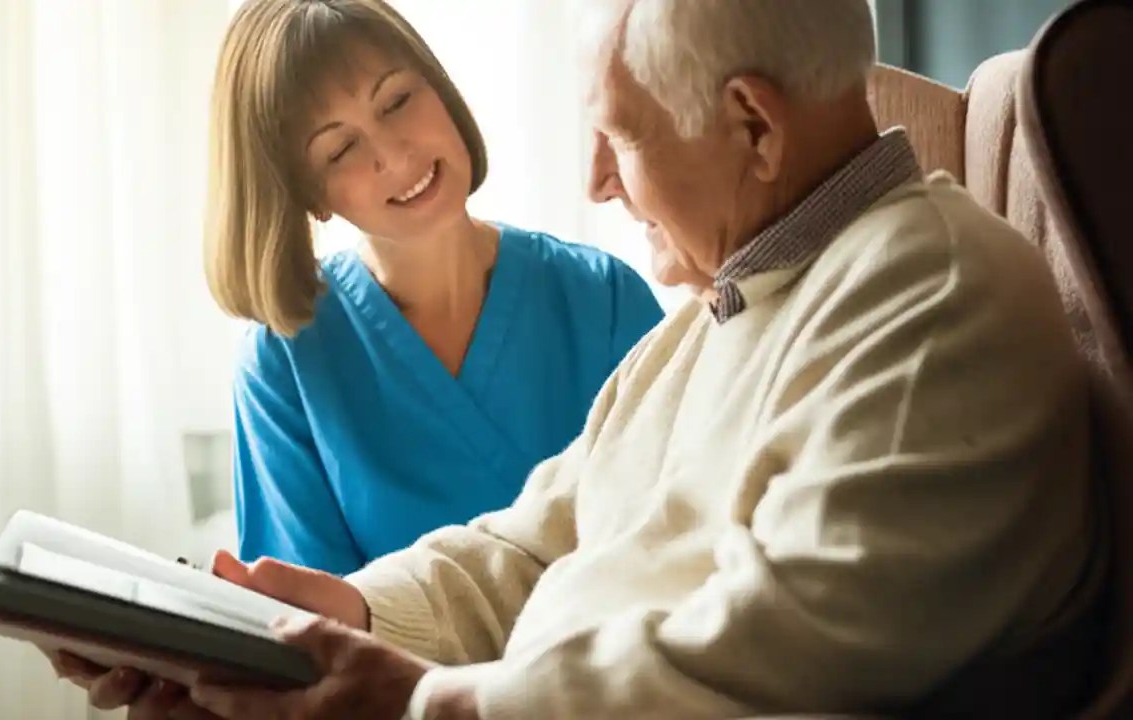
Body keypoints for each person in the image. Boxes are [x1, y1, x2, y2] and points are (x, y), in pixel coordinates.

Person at [56, 0, 1104, 718]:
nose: (594, 182)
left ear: (751, 124)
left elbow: (780, 661)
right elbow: (526, 546)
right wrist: (341, 613)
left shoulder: (926, 305)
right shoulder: (719, 319)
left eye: (623, 138)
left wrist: (415, 702)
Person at [209, 0, 664, 575]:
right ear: (309, 197)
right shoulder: (284, 364)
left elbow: (677, 552)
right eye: (341, 149)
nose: (395, 154)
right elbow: (308, 631)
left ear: (439, 88)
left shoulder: (604, 300)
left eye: (397, 101)